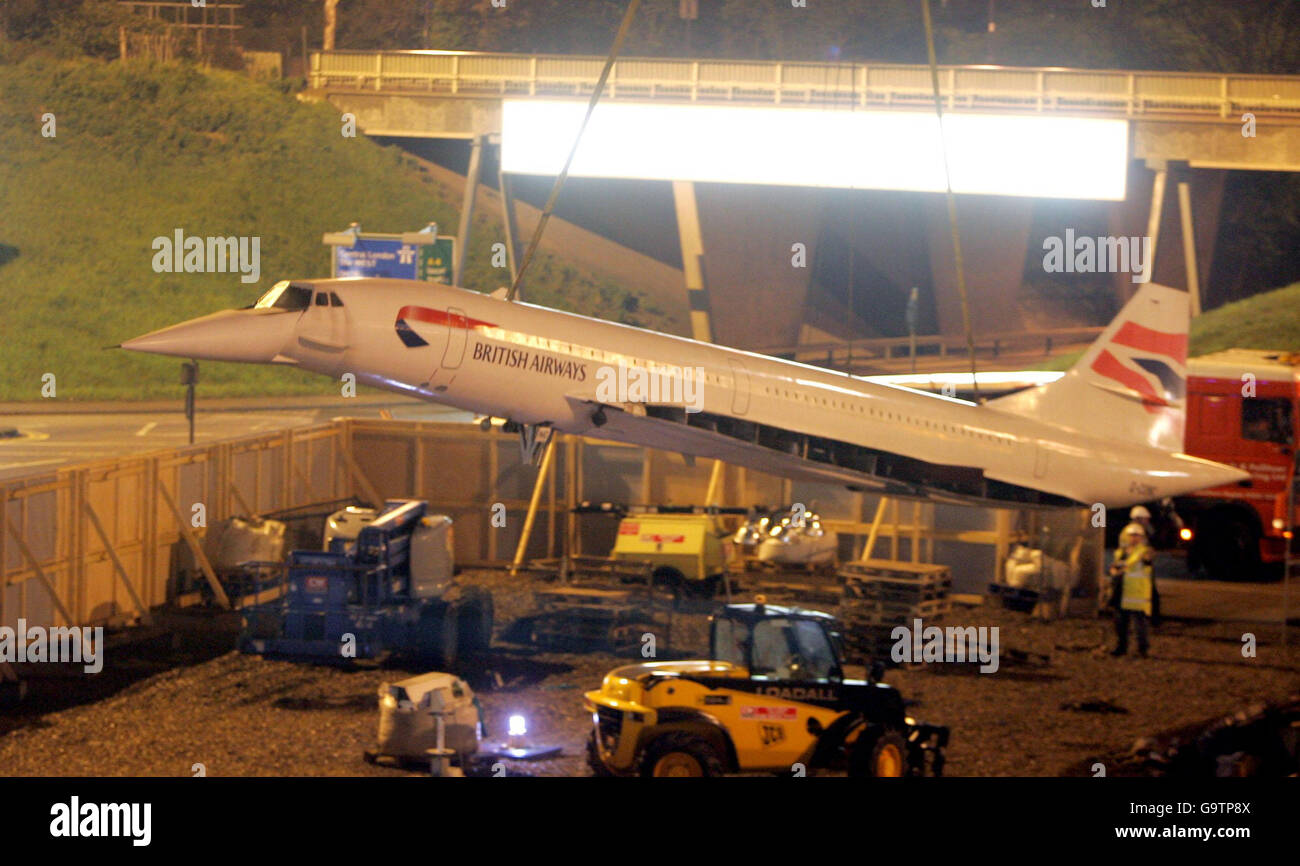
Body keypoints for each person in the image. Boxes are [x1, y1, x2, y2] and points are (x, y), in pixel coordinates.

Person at [1109, 522, 1157, 657]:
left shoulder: (1144, 552)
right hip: (1122, 592)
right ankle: (1121, 648)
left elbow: (1147, 560)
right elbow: (1115, 568)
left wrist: (1120, 569)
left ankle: (1143, 650)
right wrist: (1114, 571)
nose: (1134, 538)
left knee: (1139, 625)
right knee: (1120, 624)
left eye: (1137, 535)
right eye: (1132, 535)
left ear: (1142, 537)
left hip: (1137, 594)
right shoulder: (1121, 552)